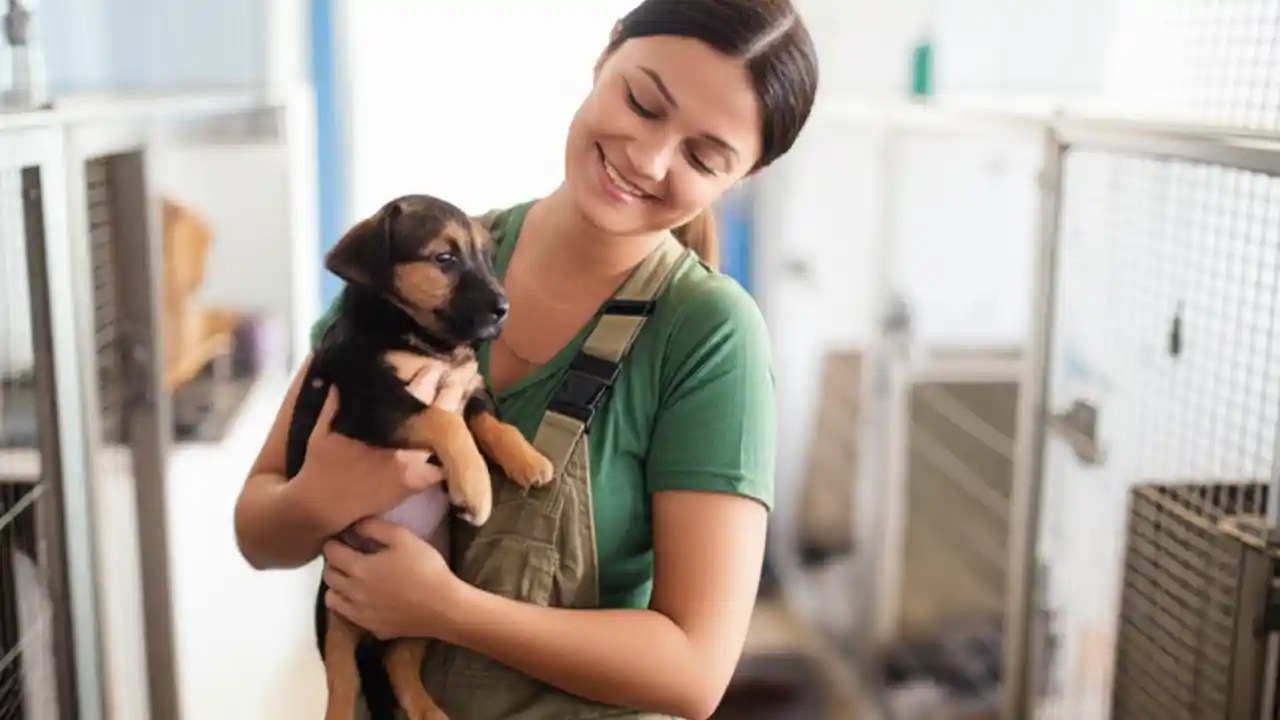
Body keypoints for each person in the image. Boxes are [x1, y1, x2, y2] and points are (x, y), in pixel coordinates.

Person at [234, 0, 819, 717]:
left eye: (702, 157)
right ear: (604, 58)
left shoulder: (708, 334)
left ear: (742, 178)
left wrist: (444, 608)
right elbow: (258, 532)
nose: (648, 157)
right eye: (641, 101)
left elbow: (693, 674)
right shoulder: (429, 264)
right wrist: (318, 497)